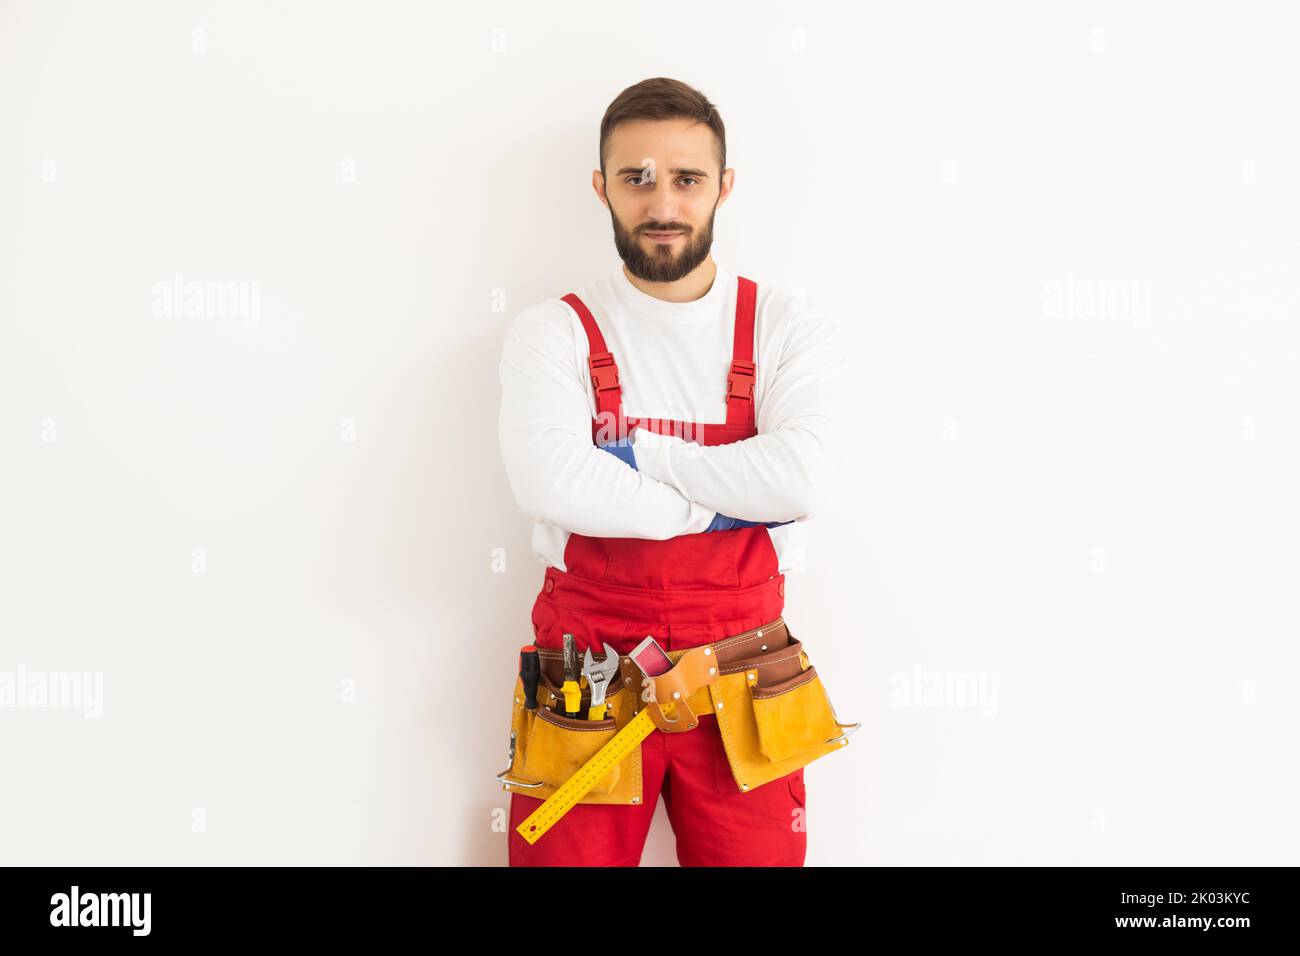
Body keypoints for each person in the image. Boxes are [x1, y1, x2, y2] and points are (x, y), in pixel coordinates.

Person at [497, 76, 841, 866]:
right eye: (635, 177)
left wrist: (643, 458)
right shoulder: (554, 332)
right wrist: (725, 504)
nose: (662, 202)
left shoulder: (788, 328)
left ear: (722, 186)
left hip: (744, 678)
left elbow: (800, 484)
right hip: (586, 676)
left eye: (686, 178)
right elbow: (550, 483)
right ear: (601, 188)